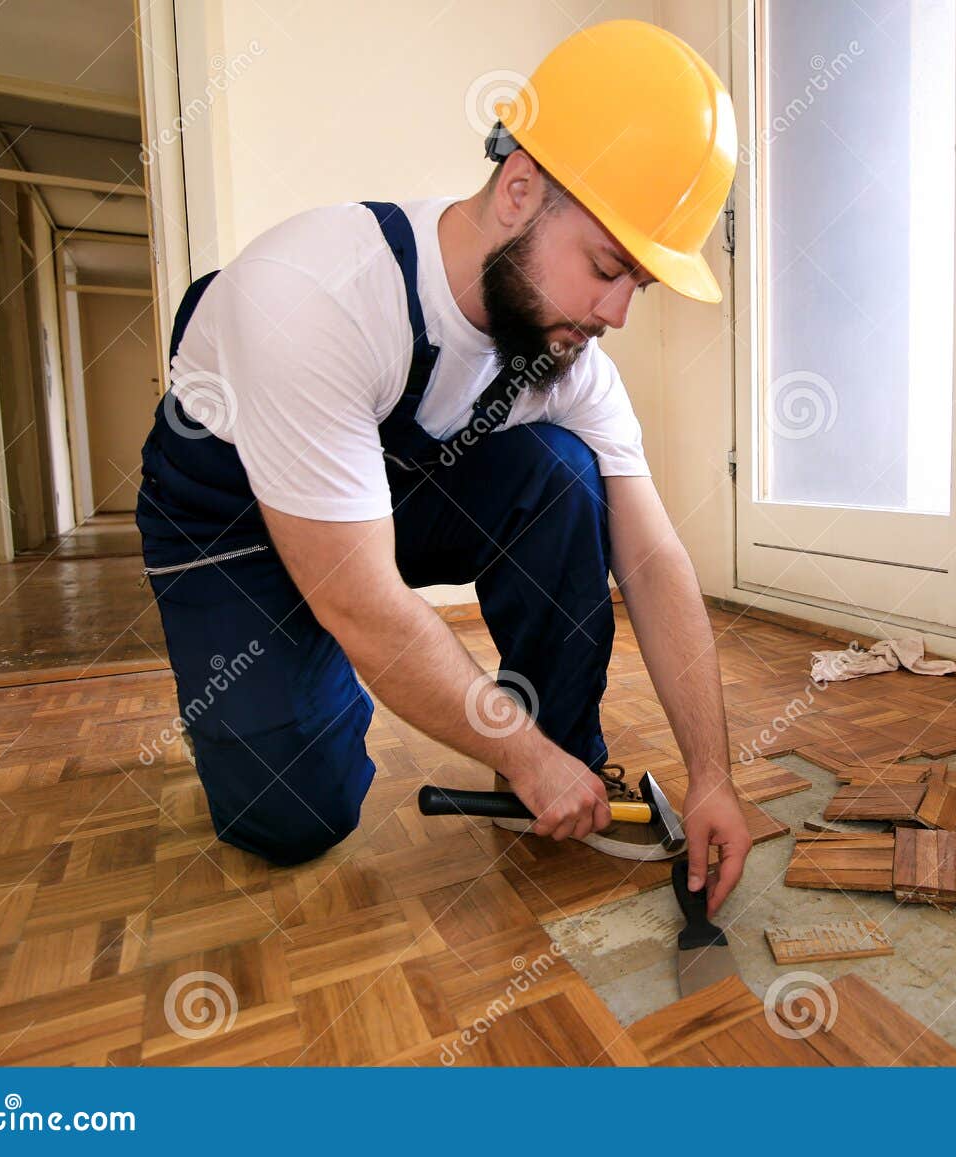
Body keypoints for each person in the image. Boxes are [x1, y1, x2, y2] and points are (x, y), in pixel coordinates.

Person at [135, 20, 752, 912]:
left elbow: (653, 560)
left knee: (565, 475)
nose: (616, 313)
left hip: (374, 503)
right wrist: (393, 656)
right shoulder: (317, 299)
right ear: (518, 188)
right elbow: (362, 598)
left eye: (638, 288)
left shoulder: (569, 359)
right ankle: (297, 674)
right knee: (293, 813)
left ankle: (555, 754)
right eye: (607, 268)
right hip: (231, 519)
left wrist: (711, 776)